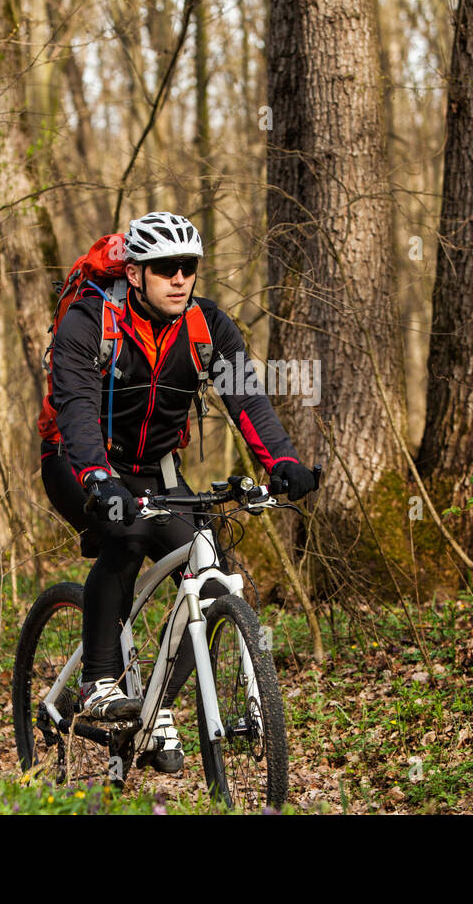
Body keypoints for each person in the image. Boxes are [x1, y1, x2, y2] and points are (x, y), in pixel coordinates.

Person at [38, 211, 317, 773]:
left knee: (208, 572)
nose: (180, 279)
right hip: (76, 460)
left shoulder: (207, 327)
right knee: (127, 533)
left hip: (155, 470)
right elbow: (76, 409)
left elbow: (247, 399)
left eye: (188, 267)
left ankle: (153, 709)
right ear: (135, 273)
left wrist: (282, 461)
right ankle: (97, 680)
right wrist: (98, 479)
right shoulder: (91, 321)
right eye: (166, 268)